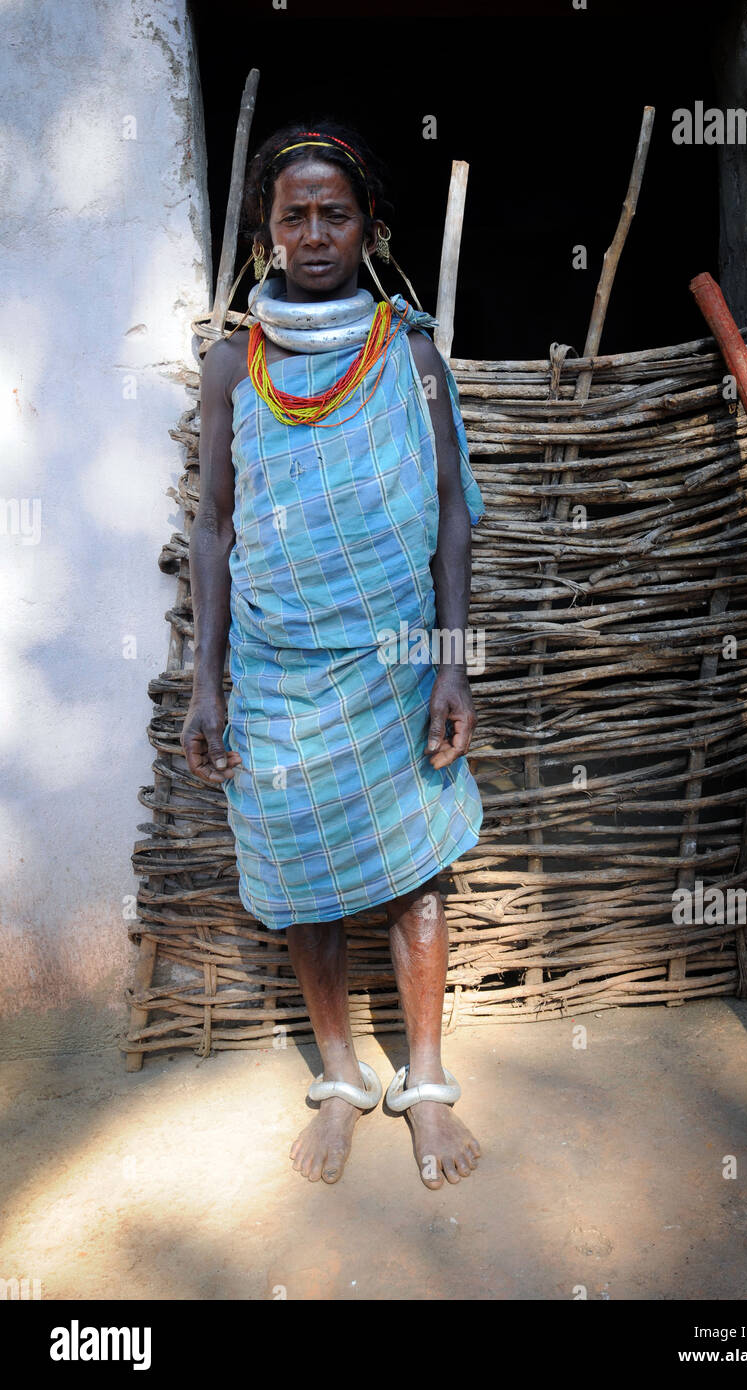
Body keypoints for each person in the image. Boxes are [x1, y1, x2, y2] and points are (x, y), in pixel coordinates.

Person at [181, 119, 485, 1189]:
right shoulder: (233, 368)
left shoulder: (408, 355)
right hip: (274, 666)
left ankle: (430, 1084)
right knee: (303, 876)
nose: (313, 233)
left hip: (394, 656)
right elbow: (213, 532)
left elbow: (451, 513)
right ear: (266, 235)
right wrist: (205, 680)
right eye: (292, 215)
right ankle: (343, 1078)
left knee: (413, 870)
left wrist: (450, 663)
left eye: (334, 214)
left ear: (370, 230)